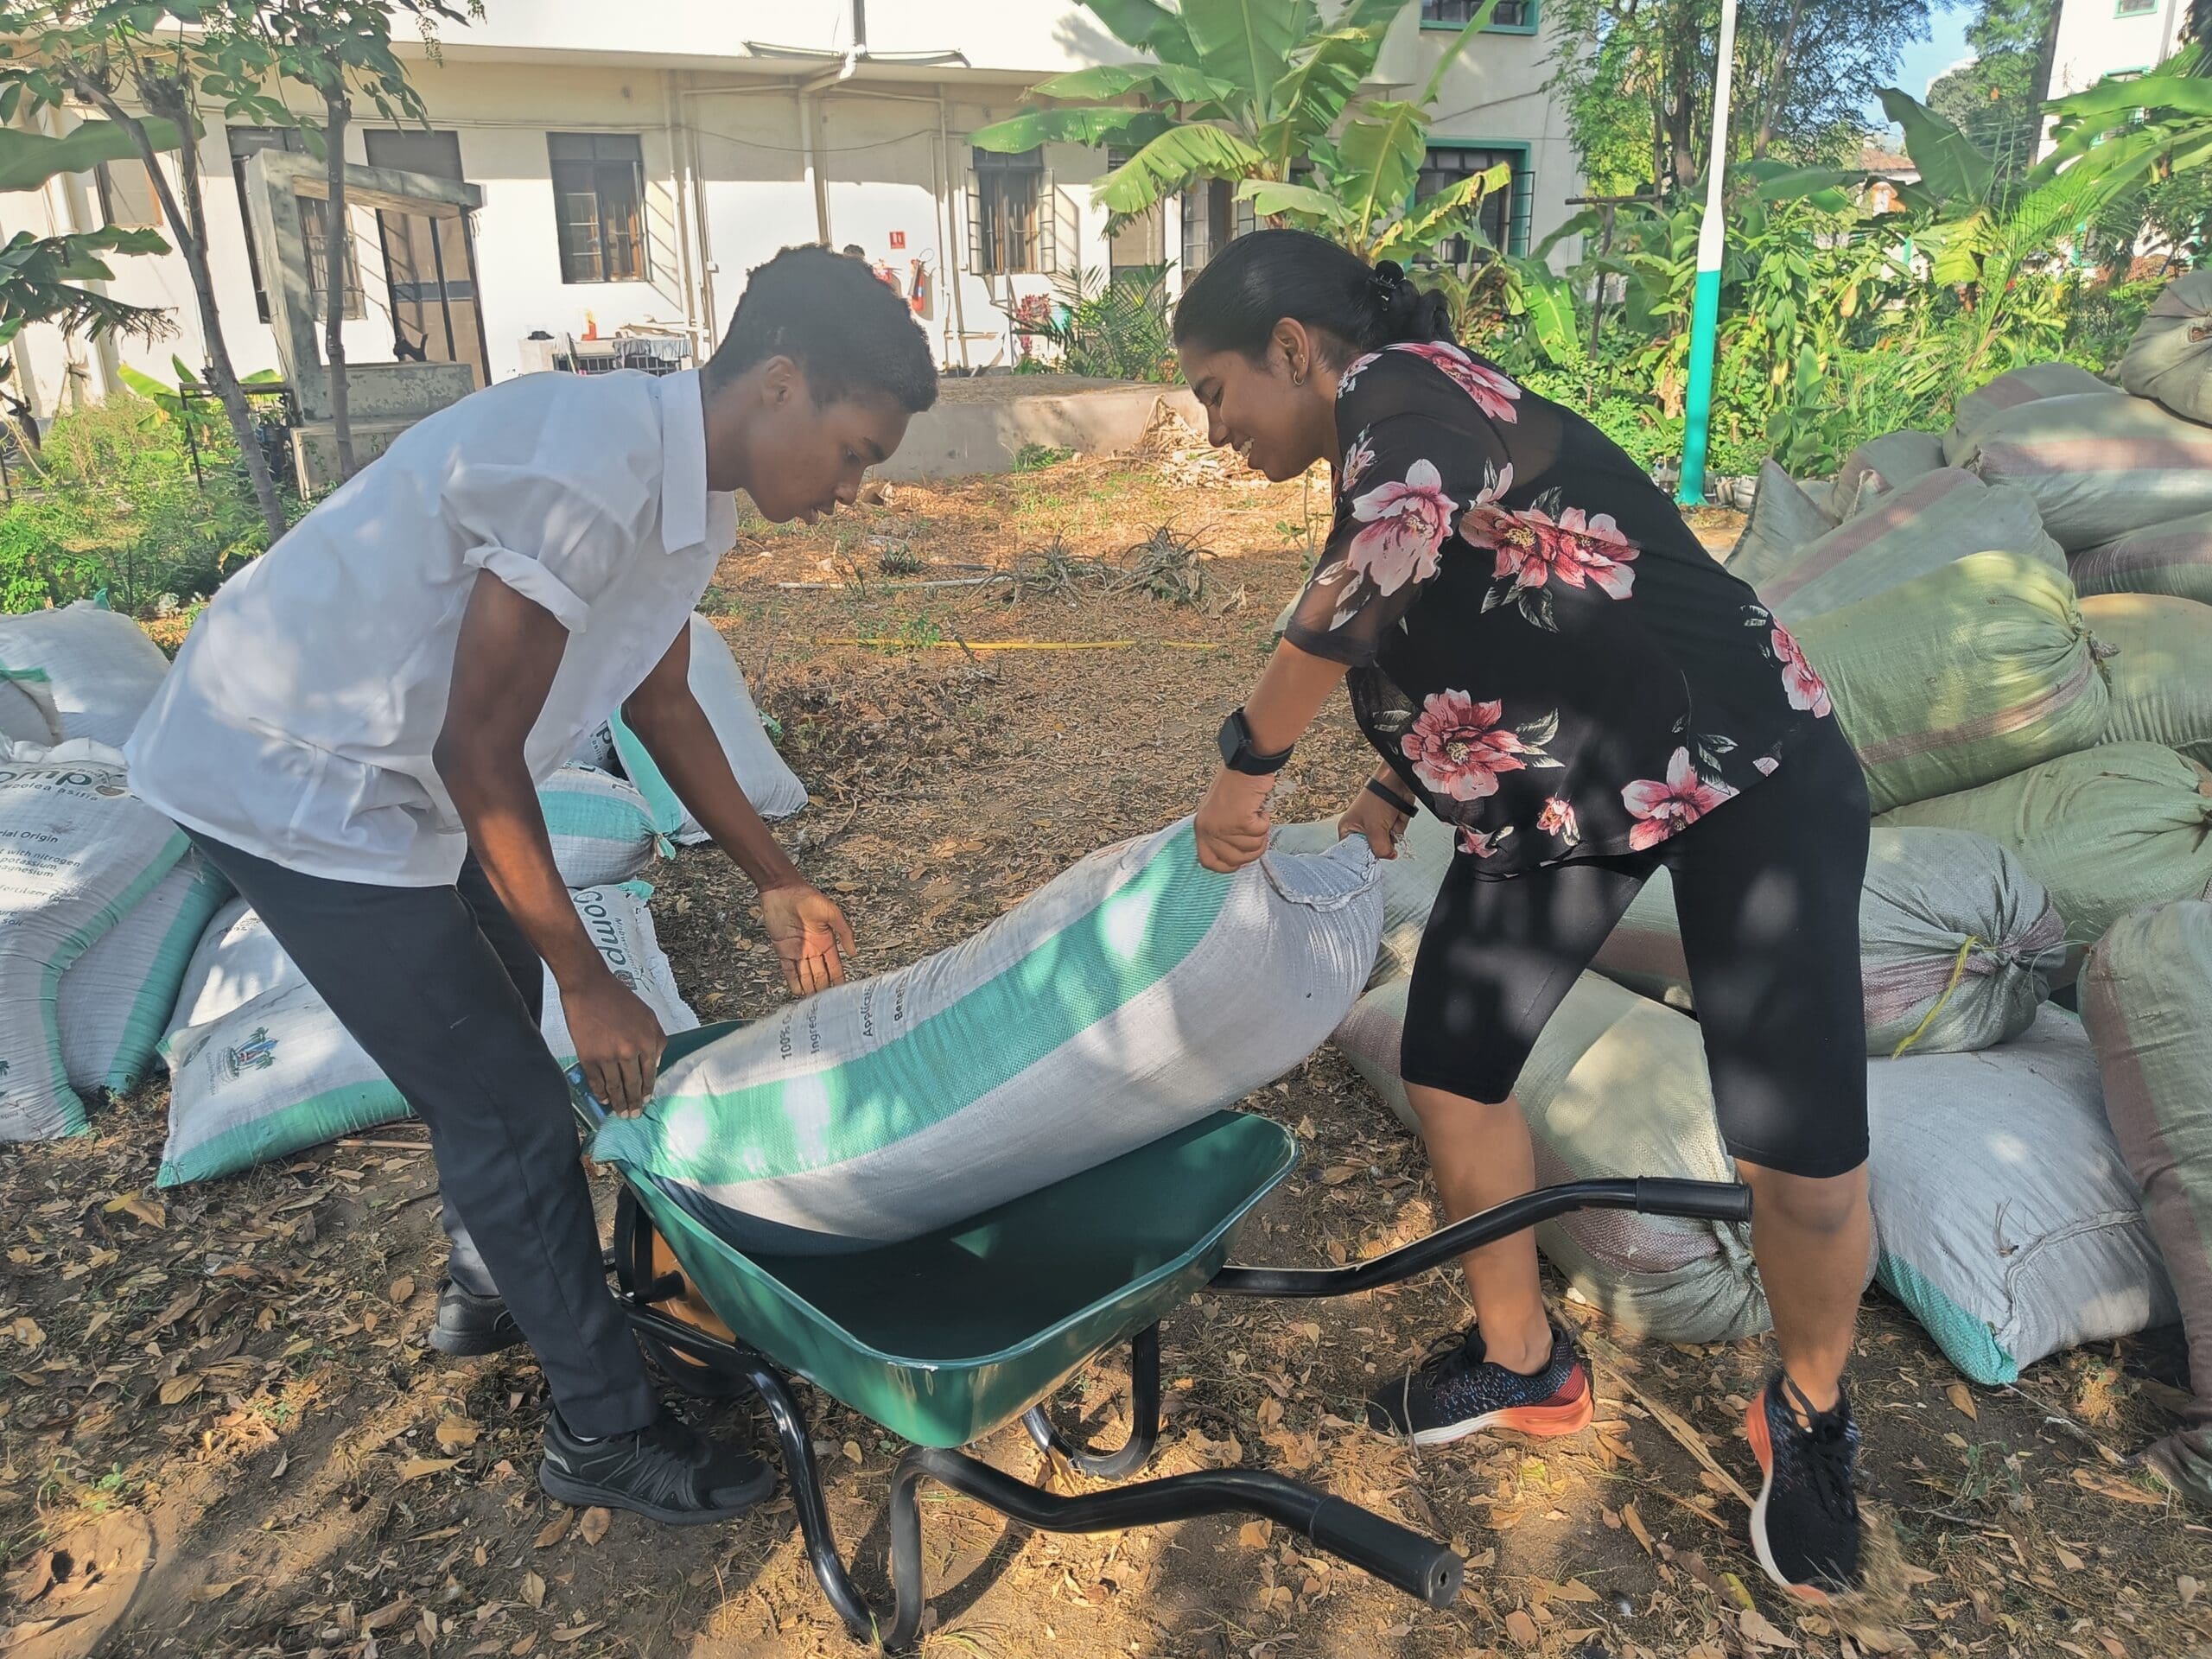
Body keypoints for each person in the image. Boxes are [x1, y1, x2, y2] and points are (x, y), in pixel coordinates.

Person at [125, 245, 938, 1526]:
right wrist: (589, 978)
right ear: (781, 382)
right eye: (853, 453)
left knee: (491, 1028)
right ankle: (601, 1431)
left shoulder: (689, 492)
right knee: (506, 1098)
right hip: (289, 770)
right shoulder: (591, 469)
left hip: (391, 769)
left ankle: (497, 1283)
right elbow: (479, 750)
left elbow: (659, 700)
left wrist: (776, 876)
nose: (851, 489)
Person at [1175, 231, 1870, 1601]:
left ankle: (1810, 1412)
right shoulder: (1396, 426)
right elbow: (1483, 606)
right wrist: (1393, 784)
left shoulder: (1408, 396)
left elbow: (1375, 568)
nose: (1214, 429)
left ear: (1294, 349)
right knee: (1453, 1067)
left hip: (1748, 767)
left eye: (1214, 391)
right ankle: (1524, 1361)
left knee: (1800, 1158)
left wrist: (1248, 763)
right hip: (1568, 796)